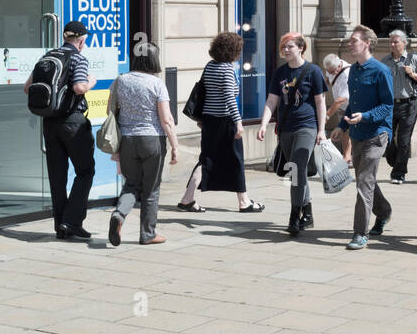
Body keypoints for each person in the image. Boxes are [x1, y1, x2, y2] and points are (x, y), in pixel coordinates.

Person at [177, 32, 263, 214]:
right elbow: (230, 99)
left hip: (209, 121)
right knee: (236, 160)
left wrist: (202, 119)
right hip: (226, 122)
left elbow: (205, 94)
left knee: (206, 159)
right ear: (233, 50)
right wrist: (239, 123)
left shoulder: (210, 66)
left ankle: (187, 198)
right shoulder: (226, 70)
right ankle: (244, 201)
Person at [24, 20, 95, 240]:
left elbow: (27, 88)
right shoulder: (78, 58)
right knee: (85, 170)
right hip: (72, 122)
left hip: (50, 123)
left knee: (57, 176)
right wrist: (92, 81)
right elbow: (79, 87)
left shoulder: (47, 57)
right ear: (81, 40)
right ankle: (71, 222)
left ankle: (61, 227)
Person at [107, 43, 179, 246]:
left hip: (127, 140)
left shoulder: (120, 80)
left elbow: (109, 110)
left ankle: (119, 214)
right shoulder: (156, 83)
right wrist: (174, 145)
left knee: (131, 184)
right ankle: (148, 234)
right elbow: (166, 119)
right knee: (151, 189)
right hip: (152, 140)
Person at [257, 32, 328, 236]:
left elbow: (320, 101)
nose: (286, 50)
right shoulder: (280, 73)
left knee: (296, 170)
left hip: (307, 126)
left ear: (301, 48)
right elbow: (272, 101)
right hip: (286, 128)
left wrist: (322, 130)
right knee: (298, 174)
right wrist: (263, 124)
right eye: (284, 47)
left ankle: (294, 216)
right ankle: (308, 211)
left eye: (290, 46)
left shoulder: (313, 71)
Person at [340, 25, 393, 250]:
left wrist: (366, 116)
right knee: (366, 179)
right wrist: (342, 125)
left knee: (363, 182)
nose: (350, 44)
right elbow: (353, 103)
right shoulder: (353, 70)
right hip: (357, 133)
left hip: (377, 134)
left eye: (354, 40)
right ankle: (384, 212)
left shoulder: (381, 71)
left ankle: (360, 234)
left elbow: (388, 105)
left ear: (367, 43)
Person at [384, 30, 417, 185]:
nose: (392, 44)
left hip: (409, 104)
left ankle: (399, 173)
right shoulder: (385, 61)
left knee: (404, 140)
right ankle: (397, 160)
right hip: (390, 105)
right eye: (391, 42)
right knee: (386, 138)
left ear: (404, 43)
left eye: (396, 41)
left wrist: (412, 74)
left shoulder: (414, 59)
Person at [323, 54, 352, 166]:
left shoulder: (346, 74)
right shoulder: (330, 67)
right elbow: (327, 80)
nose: (331, 74)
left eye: (333, 71)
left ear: (339, 66)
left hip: (349, 106)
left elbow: (340, 100)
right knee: (344, 132)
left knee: (347, 132)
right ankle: (347, 156)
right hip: (341, 106)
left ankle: (347, 157)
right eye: (329, 71)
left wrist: (326, 116)